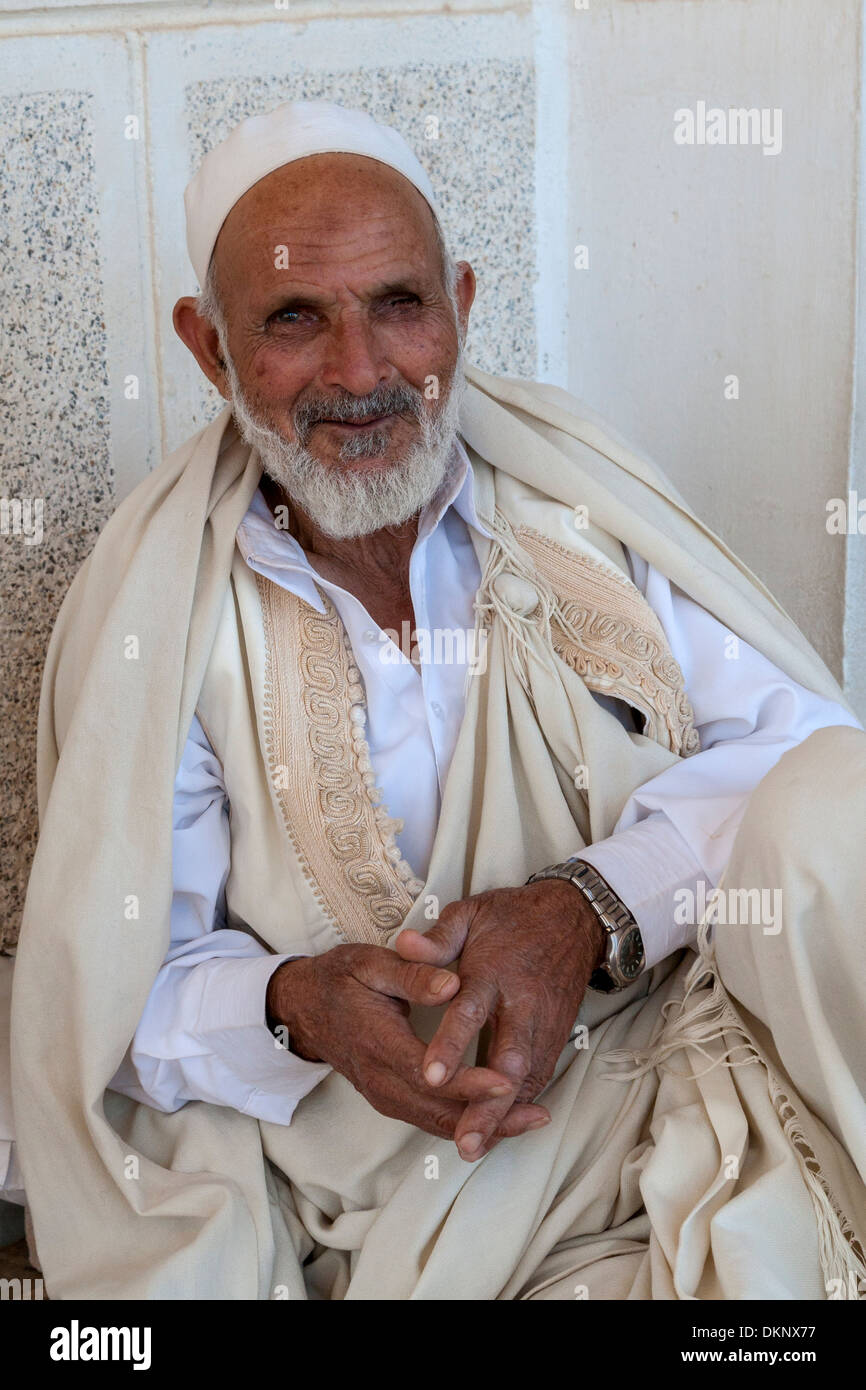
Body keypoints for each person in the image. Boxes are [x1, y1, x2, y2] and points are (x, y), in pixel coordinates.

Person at [11, 100, 866, 1300]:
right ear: (209, 349)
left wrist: (590, 905)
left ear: (460, 305)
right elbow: (116, 998)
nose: (359, 375)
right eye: (296, 320)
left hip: (697, 1064)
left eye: (399, 306)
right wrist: (293, 1007)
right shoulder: (170, 616)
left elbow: (811, 767)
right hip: (434, 1178)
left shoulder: (572, 510)